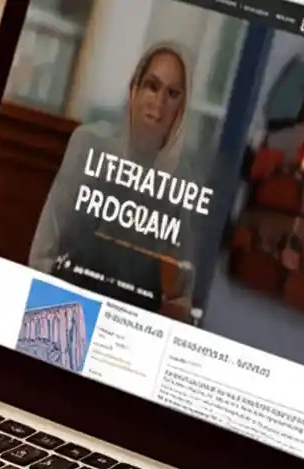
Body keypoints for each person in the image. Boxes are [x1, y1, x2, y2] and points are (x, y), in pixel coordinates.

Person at [28, 43, 201, 319]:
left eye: (172, 93)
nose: (159, 103)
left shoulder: (181, 179)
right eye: (152, 86)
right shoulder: (88, 144)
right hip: (63, 308)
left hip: (128, 325)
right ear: (134, 88)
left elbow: (181, 292)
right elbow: (44, 250)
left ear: (181, 106)